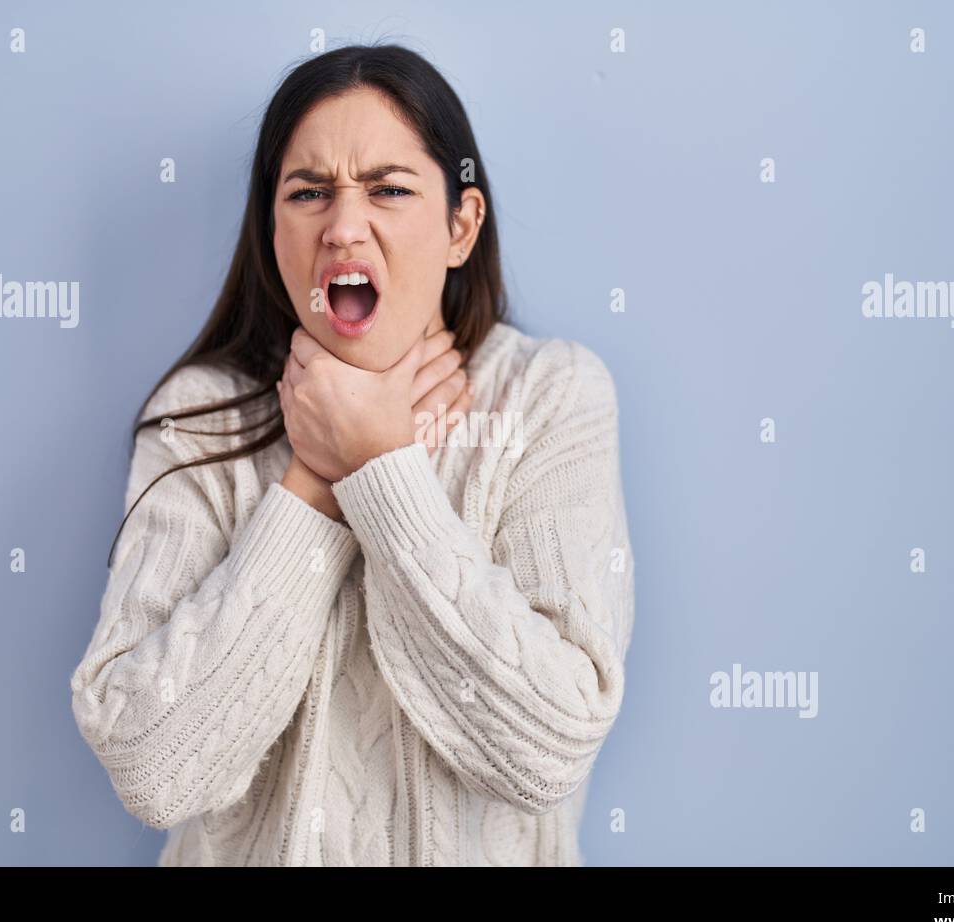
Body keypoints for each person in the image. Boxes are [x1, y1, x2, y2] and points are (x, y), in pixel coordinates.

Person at [69, 43, 634, 866]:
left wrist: (381, 465)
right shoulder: (198, 416)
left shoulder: (553, 399)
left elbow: (546, 748)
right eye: (308, 193)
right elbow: (153, 769)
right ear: (273, 229)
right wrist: (313, 481)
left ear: (460, 225)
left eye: (389, 190)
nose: (342, 227)